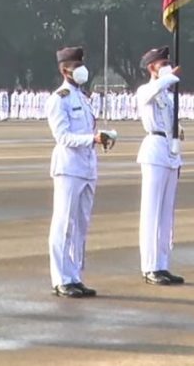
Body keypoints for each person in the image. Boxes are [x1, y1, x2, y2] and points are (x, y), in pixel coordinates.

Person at [46, 46, 109, 298]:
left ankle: (74, 275)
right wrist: (91, 139)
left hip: (87, 166)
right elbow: (62, 136)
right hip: (68, 167)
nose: (81, 69)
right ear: (64, 70)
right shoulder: (58, 99)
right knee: (63, 223)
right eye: (76, 65)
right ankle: (61, 278)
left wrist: (98, 139)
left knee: (81, 224)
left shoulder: (83, 98)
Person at [135, 47, 186, 286]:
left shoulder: (167, 94)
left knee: (166, 214)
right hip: (154, 150)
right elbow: (150, 94)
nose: (166, 64)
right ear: (151, 67)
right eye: (162, 62)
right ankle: (150, 267)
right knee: (152, 212)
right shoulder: (147, 89)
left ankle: (163, 265)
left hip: (169, 151)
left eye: (167, 61)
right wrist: (168, 78)